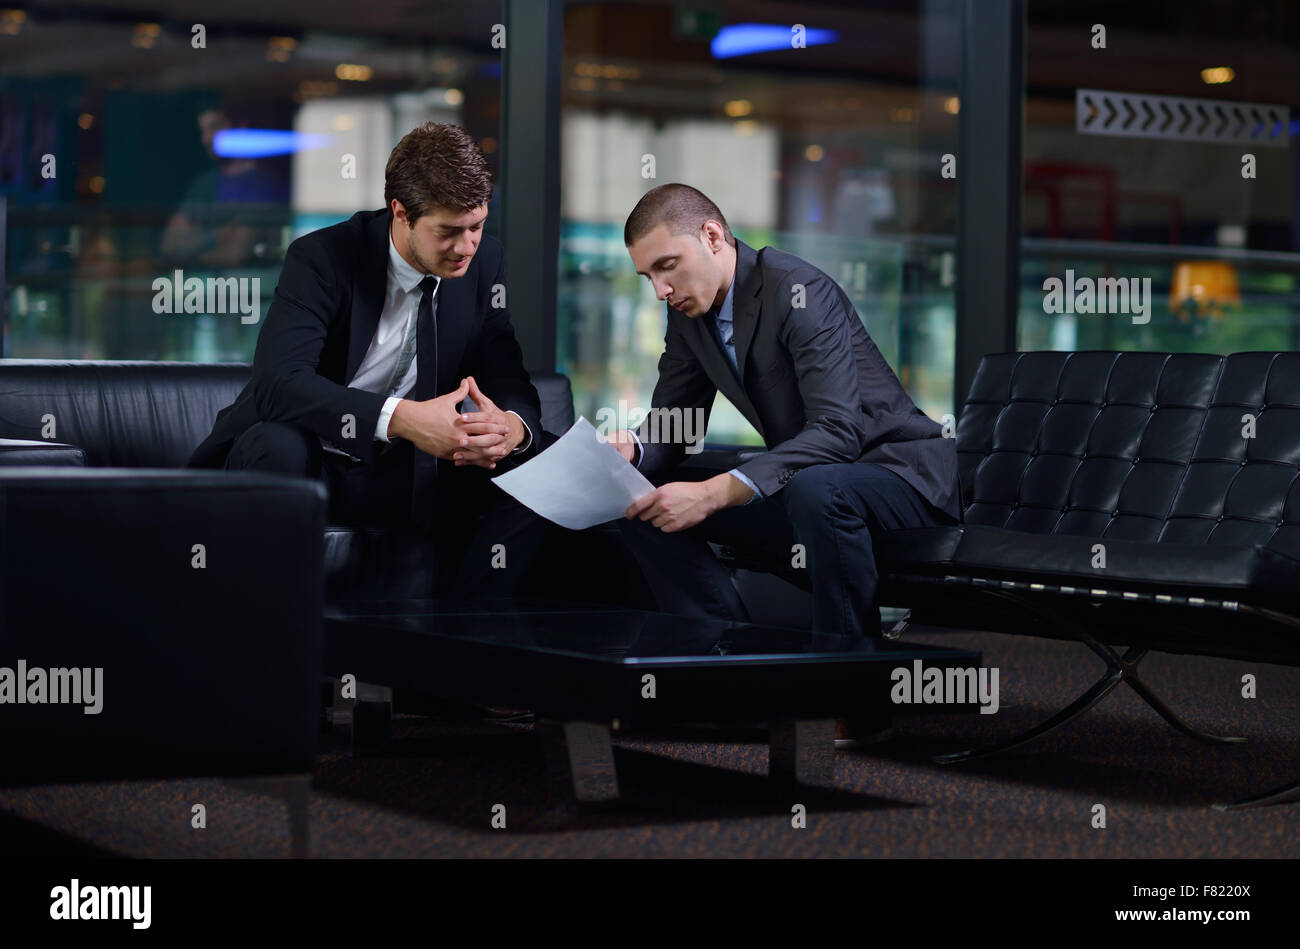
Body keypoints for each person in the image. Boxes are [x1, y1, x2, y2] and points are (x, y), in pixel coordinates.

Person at [187, 122, 545, 598]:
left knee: (536, 466)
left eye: (476, 227)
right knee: (280, 445)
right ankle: (278, 649)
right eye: (448, 232)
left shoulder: (485, 263)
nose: (466, 248)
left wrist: (511, 428)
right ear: (401, 213)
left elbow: (508, 374)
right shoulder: (322, 258)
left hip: (407, 471)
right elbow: (279, 382)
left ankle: (459, 648)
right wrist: (403, 419)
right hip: (314, 457)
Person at [609, 183, 961, 641]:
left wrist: (714, 493)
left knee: (817, 489)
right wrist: (631, 450)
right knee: (644, 499)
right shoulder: (688, 315)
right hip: (809, 486)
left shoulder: (799, 290)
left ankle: (849, 685)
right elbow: (675, 424)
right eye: (647, 277)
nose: (660, 290)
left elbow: (838, 432)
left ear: (713, 237)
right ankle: (723, 651)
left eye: (667, 266)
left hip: (899, 476)